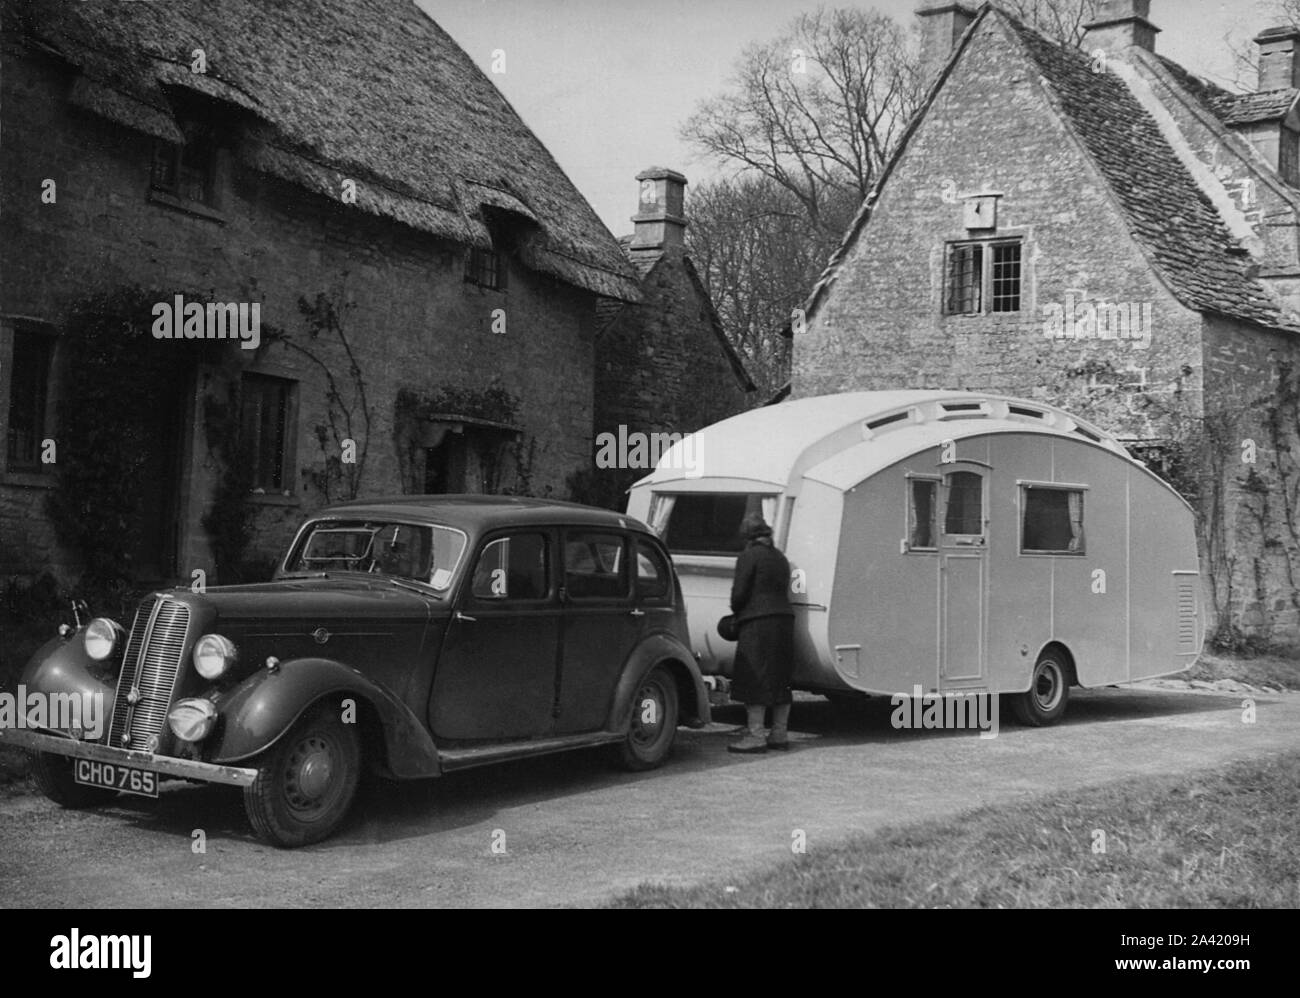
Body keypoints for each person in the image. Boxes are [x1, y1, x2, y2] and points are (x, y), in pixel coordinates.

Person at [727, 512, 795, 753]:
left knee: (754, 676)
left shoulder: (748, 556)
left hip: (758, 623)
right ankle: (779, 734)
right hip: (784, 620)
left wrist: (735, 611)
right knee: (779, 678)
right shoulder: (781, 558)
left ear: (747, 537)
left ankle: (755, 736)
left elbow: (739, 594)